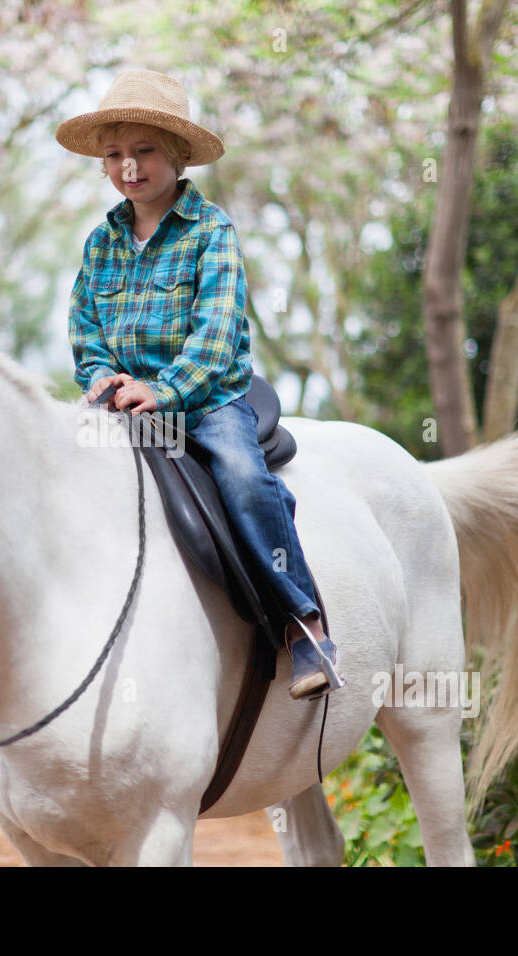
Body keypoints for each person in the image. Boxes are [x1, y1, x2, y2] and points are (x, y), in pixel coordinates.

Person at [59, 69, 342, 700]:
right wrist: (102, 375)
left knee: (242, 477)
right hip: (122, 398)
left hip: (206, 400)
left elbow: (216, 338)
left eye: (144, 151)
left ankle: (304, 624)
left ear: (179, 155)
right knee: (49, 460)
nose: (128, 166)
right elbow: (84, 326)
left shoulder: (211, 233)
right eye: (114, 154)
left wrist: (164, 390)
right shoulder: (100, 244)